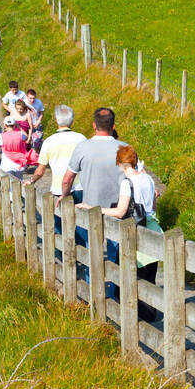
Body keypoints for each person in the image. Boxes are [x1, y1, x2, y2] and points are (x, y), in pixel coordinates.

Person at [77, 143, 162, 321]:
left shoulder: (127, 183)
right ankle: (149, 317)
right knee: (148, 280)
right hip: (153, 232)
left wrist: (93, 208)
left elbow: (120, 212)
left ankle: (131, 324)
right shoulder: (149, 180)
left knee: (126, 284)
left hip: (134, 235)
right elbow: (152, 208)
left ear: (121, 165)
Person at [61, 107, 126, 299]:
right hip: (117, 211)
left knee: (92, 253)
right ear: (113, 126)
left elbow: (67, 179)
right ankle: (114, 295)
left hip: (90, 209)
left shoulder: (83, 147)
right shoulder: (124, 148)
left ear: (94, 125)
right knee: (115, 254)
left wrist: (64, 197)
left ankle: (93, 294)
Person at [31, 105, 87, 225]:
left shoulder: (49, 142)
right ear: (72, 120)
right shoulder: (81, 138)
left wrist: (31, 181)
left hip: (59, 189)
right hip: (81, 187)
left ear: (56, 120)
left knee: (61, 226)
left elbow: (40, 171)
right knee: (82, 225)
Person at [0, 116, 30, 180]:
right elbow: (26, 137)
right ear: (14, 125)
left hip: (7, 165)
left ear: (5, 125)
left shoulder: (2, 136)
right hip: (19, 165)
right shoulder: (20, 134)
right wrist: (19, 127)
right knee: (19, 184)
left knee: (10, 185)